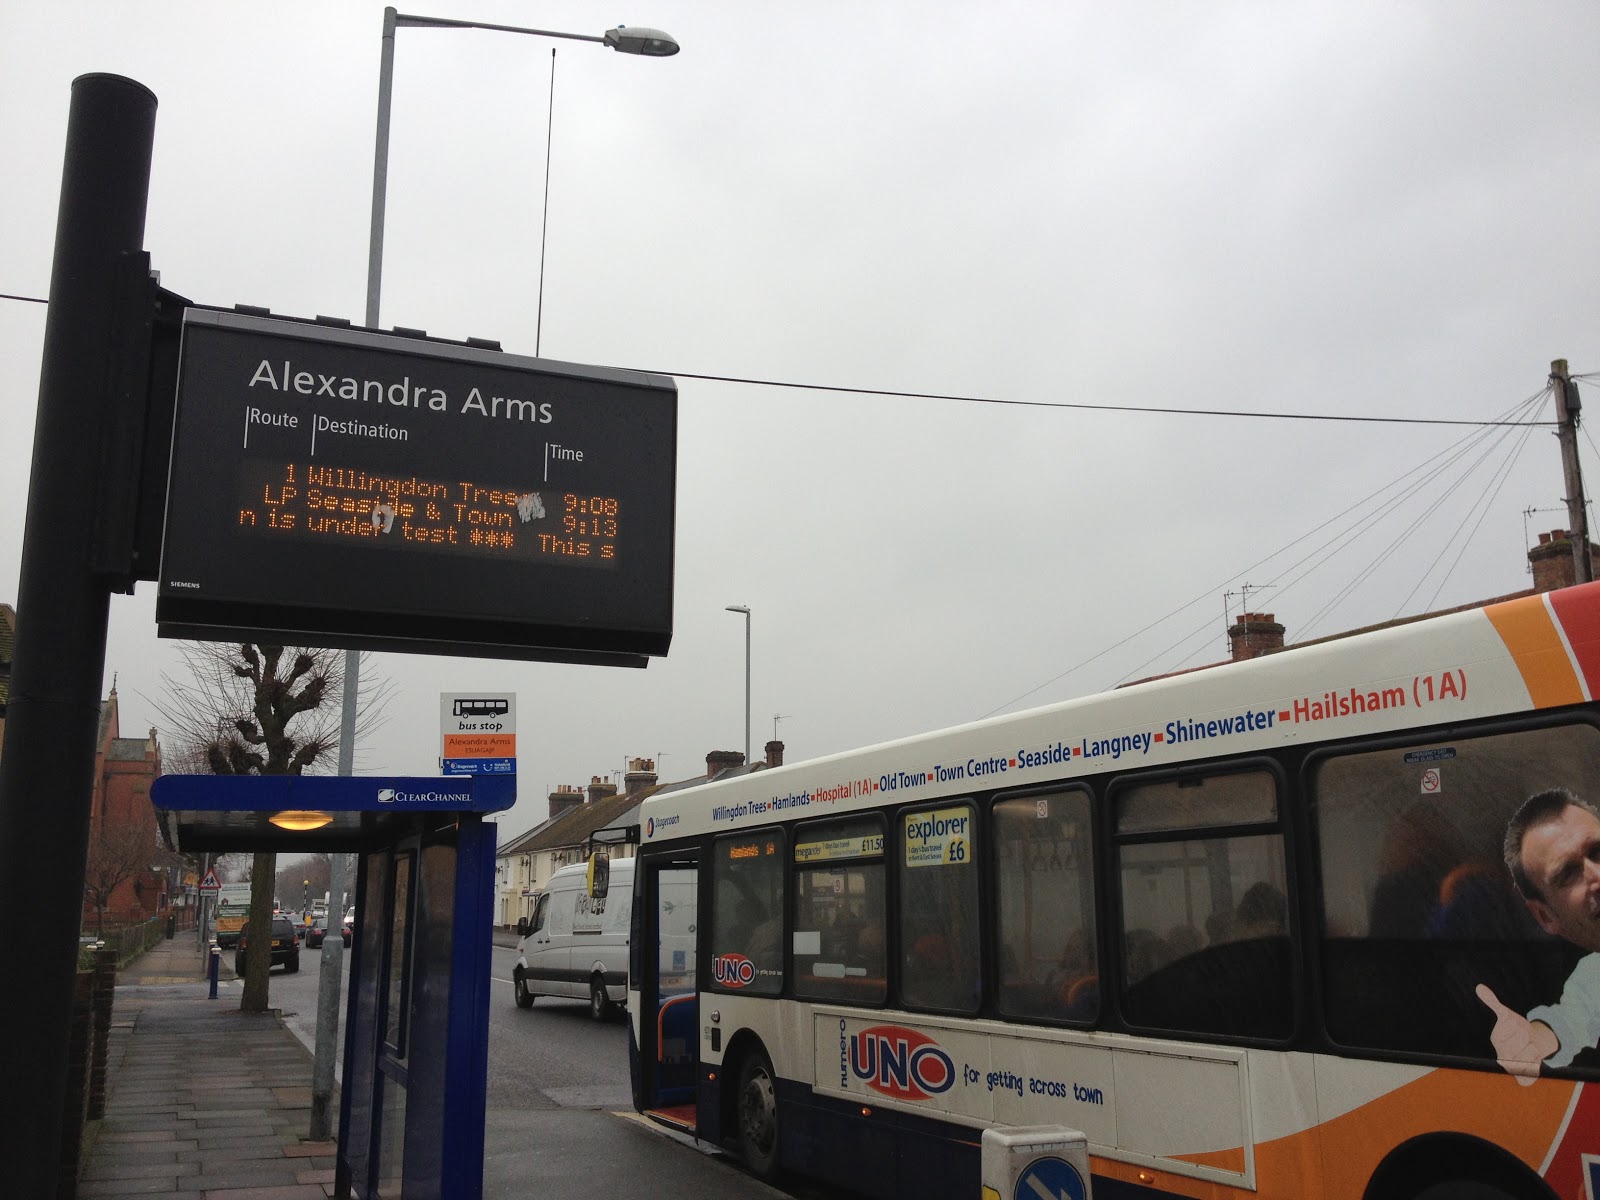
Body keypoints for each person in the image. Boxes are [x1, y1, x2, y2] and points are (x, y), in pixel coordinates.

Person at [1477, 788, 1600, 1084]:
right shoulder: (1592, 976)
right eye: (1569, 872)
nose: (1597, 876)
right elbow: (1568, 1023)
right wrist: (1533, 1038)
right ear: (1546, 917)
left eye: (1598, 851)